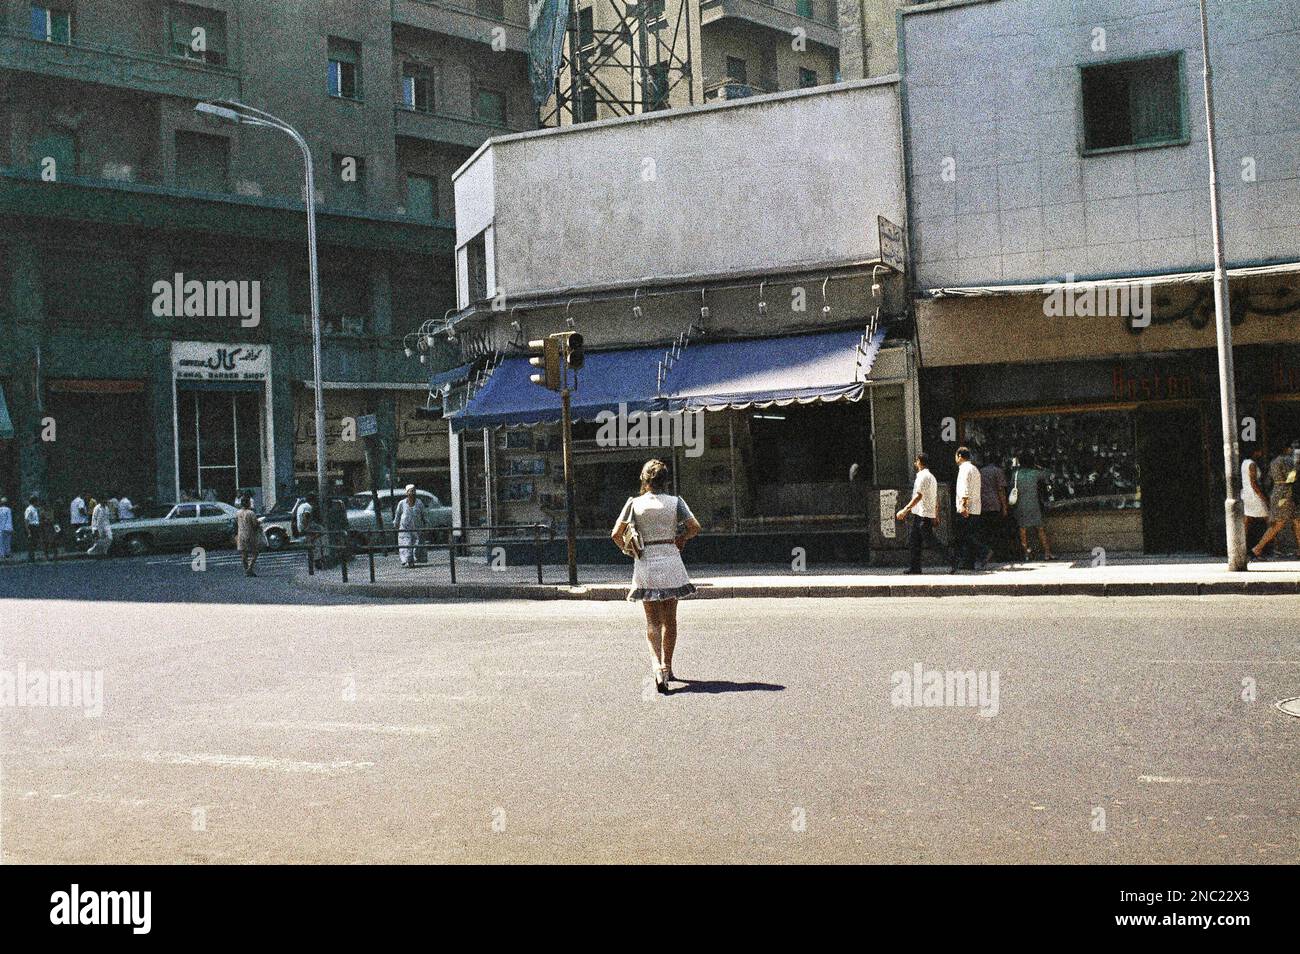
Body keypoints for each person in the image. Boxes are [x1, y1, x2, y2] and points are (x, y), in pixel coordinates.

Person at [610, 459, 701, 693]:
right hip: (671, 559)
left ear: (644, 479)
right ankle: (667, 666)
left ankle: (656, 667)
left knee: (652, 621)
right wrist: (680, 539)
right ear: (666, 480)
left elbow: (615, 534)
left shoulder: (634, 504)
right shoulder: (675, 502)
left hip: (646, 562)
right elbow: (694, 527)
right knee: (670, 620)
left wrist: (629, 550)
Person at [1252, 440, 1300, 560]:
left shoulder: (1274, 461)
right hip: (1286, 493)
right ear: (1286, 449)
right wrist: (1297, 468)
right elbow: (1291, 477)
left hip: (1277, 492)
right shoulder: (1287, 460)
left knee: (1296, 521)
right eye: (1290, 448)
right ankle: (1257, 548)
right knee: (1279, 523)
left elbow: (1268, 480)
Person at [895, 452, 940, 574]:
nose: (915, 463)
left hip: (922, 514)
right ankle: (915, 568)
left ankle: (952, 560)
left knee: (930, 541)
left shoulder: (922, 477)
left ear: (919, 461)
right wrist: (936, 514)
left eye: (916, 461)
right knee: (914, 541)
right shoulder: (931, 477)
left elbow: (918, 496)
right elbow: (935, 497)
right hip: (923, 513)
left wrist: (905, 509)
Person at [1012, 452, 1054, 561]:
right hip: (1033, 504)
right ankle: (1047, 553)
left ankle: (1026, 553)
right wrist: (1038, 466)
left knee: (1023, 530)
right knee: (1040, 529)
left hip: (1020, 505)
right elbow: (1048, 473)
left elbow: (1011, 486)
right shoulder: (1035, 473)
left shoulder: (1015, 474)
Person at [950, 446, 983, 572]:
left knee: (964, 535)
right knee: (970, 535)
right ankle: (969, 563)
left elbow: (965, 488)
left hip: (966, 508)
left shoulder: (964, 469)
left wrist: (963, 505)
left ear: (959, 456)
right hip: (975, 507)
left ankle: (983, 551)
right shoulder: (974, 469)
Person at [977, 449, 1009, 565]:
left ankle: (987, 554)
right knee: (997, 531)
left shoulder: (980, 471)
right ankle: (997, 555)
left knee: (987, 531)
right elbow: (1001, 490)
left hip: (983, 505)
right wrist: (1004, 506)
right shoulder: (998, 471)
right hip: (995, 504)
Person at [1242, 446, 1270, 553]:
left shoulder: (1244, 463)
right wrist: (1263, 498)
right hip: (1254, 496)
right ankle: (1262, 546)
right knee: (1271, 522)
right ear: (1255, 452)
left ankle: (1242, 547)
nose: (1261, 453)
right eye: (1259, 451)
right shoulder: (1252, 464)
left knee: (1247, 521)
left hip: (1247, 495)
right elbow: (1254, 483)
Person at [394, 484, 425, 568]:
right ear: (407, 493)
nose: (412, 493)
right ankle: (407, 560)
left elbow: (423, 514)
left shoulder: (419, 503)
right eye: (410, 491)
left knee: (416, 544)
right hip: (405, 527)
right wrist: (396, 523)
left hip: (416, 527)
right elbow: (398, 514)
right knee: (406, 544)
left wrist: (425, 523)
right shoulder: (402, 503)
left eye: (413, 491)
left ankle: (413, 559)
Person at [235, 494, 262, 577]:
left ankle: (246, 570)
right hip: (250, 535)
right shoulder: (251, 513)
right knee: (255, 553)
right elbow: (255, 524)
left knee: (244, 554)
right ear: (248, 503)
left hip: (241, 534)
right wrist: (259, 523)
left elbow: (236, 523)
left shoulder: (238, 513)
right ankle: (249, 568)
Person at [24, 495, 41, 563]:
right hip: (31, 527)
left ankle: (32, 557)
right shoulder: (29, 509)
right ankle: (30, 559)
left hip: (36, 527)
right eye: (37, 501)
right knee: (31, 543)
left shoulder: (35, 509)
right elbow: (26, 521)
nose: (38, 502)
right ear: (34, 502)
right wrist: (28, 532)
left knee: (34, 543)